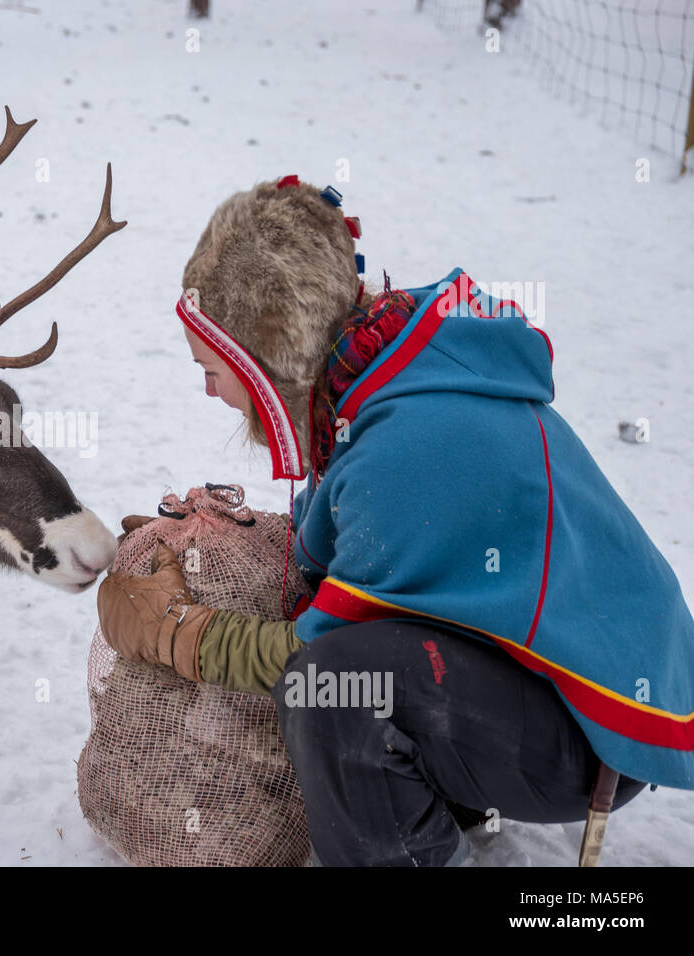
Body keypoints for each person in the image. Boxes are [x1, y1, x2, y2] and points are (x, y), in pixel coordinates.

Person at [96, 174, 694, 866]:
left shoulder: (404, 446)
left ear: (265, 368)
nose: (206, 388)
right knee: (351, 669)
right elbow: (364, 559)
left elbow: (305, 654)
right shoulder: (385, 368)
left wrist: (179, 633)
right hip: (555, 678)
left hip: (588, 734)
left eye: (213, 367)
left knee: (331, 692)